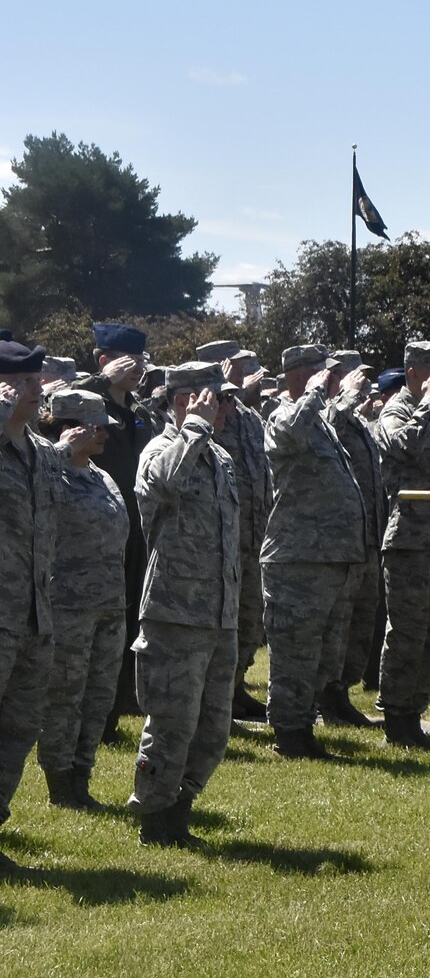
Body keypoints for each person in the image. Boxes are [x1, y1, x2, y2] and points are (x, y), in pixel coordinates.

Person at [131, 362, 242, 846]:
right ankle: (155, 820)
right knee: (173, 722)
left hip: (219, 612)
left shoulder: (219, 457)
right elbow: (164, 485)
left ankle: (181, 804)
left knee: (213, 728)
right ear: (185, 401)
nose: (226, 408)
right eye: (217, 398)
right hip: (174, 612)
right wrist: (193, 428)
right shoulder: (160, 451)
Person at [261, 344, 369, 759]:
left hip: (329, 557)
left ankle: (304, 725)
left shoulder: (319, 422)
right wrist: (314, 392)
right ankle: (289, 734)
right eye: (322, 372)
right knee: (296, 652)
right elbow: (289, 429)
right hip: (297, 558)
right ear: (298, 376)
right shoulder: (283, 416)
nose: (332, 378)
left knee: (321, 651)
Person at [37, 390, 129, 811]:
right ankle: (60, 784)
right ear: (70, 426)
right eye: (96, 425)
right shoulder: (49, 472)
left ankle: (81, 777)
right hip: (68, 606)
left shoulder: (101, 475)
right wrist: (61, 451)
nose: (106, 432)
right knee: (65, 698)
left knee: (98, 698)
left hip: (109, 605)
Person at [374, 341, 430, 748]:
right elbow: (401, 447)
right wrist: (427, 404)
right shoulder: (397, 410)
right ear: (413, 372)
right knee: (408, 634)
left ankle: (415, 710)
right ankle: (396, 717)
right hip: (409, 541)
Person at [73, 322, 154, 738]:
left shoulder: (139, 413)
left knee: (126, 623)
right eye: (128, 359)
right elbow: (56, 411)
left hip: (136, 530)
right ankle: (94, 718)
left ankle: (117, 705)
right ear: (104, 359)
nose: (137, 367)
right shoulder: (87, 403)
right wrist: (100, 382)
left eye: (141, 359)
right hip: (96, 529)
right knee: (96, 624)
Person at [0, 341, 59, 867]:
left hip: (34, 616)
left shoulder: (40, 452)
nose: (39, 389)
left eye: (38, 379)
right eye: (27, 380)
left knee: (18, 728)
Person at [199, 342, 274, 719]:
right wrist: (220, 390)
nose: (245, 372)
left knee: (249, 618)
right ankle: (217, 696)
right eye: (236, 365)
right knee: (222, 622)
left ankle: (236, 685)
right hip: (221, 542)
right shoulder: (203, 413)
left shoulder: (247, 416)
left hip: (253, 537)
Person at [325, 350, 387, 720]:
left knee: (362, 622)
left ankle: (342, 691)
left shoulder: (360, 421)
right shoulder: (328, 414)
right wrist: (346, 394)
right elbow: (329, 417)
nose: (362, 381)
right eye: (354, 375)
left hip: (368, 537)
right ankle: (327, 695)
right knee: (339, 623)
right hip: (342, 541)